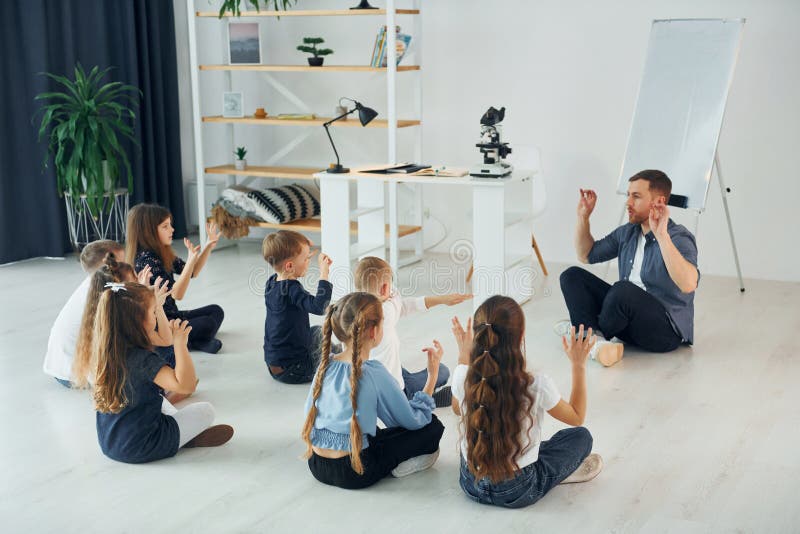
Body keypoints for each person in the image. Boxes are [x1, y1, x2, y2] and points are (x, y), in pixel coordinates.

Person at [451, 295, 603, 508]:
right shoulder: (536, 384)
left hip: (470, 482)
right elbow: (576, 417)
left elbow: (457, 409)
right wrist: (578, 365)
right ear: (521, 336)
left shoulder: (463, 374)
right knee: (581, 437)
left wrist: (463, 358)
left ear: (478, 335)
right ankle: (555, 475)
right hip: (518, 489)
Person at [301, 292, 445, 489]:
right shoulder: (373, 372)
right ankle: (398, 465)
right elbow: (411, 421)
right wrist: (432, 376)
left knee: (370, 431)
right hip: (356, 471)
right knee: (432, 426)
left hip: (317, 464)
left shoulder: (325, 364)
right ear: (374, 331)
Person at [558, 170, 699, 366]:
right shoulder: (628, 232)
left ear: (659, 201)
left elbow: (689, 284)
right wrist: (583, 218)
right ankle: (594, 342)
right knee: (571, 276)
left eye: (636, 196)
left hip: (663, 332)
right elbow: (586, 255)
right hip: (625, 318)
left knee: (622, 290)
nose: (628, 202)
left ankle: (584, 332)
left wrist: (662, 236)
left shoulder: (678, 237)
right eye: (628, 195)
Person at [93, 282, 233, 463]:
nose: (156, 316)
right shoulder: (143, 360)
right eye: (153, 313)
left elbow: (165, 340)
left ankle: (180, 433)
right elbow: (187, 385)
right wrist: (181, 344)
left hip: (110, 444)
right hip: (143, 445)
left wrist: (157, 306)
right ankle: (181, 439)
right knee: (206, 411)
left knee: (158, 398)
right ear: (138, 321)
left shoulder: (108, 350)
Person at [354, 256, 471, 406]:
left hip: (375, 378)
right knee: (442, 372)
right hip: (393, 391)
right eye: (391, 284)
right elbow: (398, 303)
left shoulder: (355, 308)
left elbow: (404, 306)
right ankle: (423, 398)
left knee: (399, 368)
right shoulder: (384, 313)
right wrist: (441, 299)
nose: (393, 291)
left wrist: (442, 299)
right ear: (383, 289)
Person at [126, 203, 224, 354]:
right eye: (165, 226)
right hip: (162, 325)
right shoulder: (148, 261)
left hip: (173, 315)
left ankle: (195, 341)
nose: (172, 229)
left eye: (170, 225)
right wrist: (190, 260)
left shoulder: (161, 252)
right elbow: (177, 294)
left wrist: (208, 246)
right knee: (207, 323)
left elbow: (192, 271)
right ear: (148, 231)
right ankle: (182, 341)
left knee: (216, 311)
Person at [43, 240, 125, 387]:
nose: (127, 267)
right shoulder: (104, 295)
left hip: (61, 366)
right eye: (121, 263)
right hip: (71, 374)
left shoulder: (97, 283)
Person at [262, 230, 334, 384]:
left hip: (274, 364)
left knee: (316, 331)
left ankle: (335, 351)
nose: (309, 261)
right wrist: (324, 273)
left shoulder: (272, 282)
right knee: (332, 363)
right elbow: (320, 307)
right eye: (307, 258)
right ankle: (340, 356)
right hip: (293, 369)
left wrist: (300, 244)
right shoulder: (292, 289)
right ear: (289, 266)